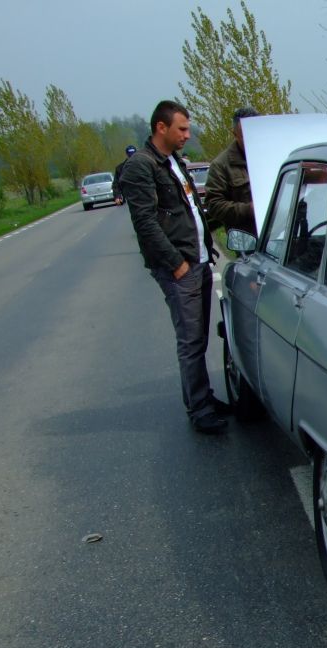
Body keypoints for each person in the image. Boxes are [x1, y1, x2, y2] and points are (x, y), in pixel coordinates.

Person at [120, 100, 230, 434]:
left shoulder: (174, 162)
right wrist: (177, 264)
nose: (187, 134)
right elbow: (146, 223)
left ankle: (205, 397)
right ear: (161, 127)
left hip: (197, 259)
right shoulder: (141, 166)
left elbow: (190, 208)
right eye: (182, 128)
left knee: (198, 337)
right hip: (179, 266)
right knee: (190, 340)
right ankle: (198, 409)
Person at [206, 107, 260, 237]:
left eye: (255, 132)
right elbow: (213, 205)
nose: (250, 138)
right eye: (244, 134)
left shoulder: (276, 155)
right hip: (246, 239)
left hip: (281, 235)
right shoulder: (221, 165)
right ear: (234, 134)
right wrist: (248, 209)